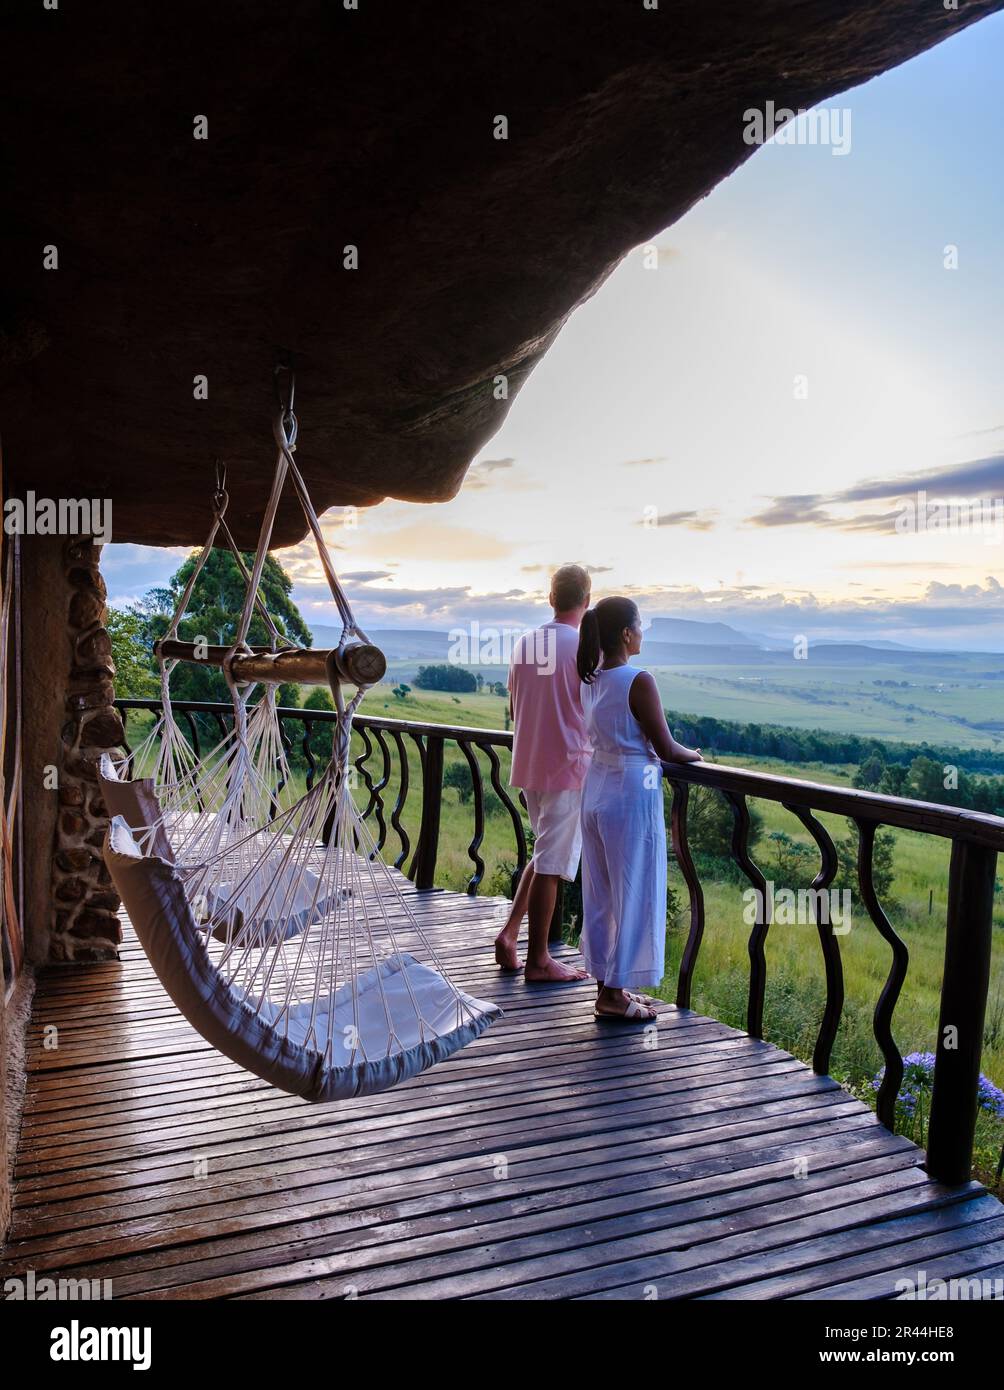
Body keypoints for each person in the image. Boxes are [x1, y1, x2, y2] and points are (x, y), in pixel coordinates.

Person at [577, 597, 702, 1021]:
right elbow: (666, 747)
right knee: (632, 891)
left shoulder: (591, 678)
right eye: (641, 626)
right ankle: (612, 995)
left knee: (601, 893)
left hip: (595, 788)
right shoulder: (638, 680)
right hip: (631, 791)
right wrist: (695, 755)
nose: (643, 632)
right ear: (627, 635)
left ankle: (610, 987)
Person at [494, 564, 593, 983]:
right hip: (569, 766)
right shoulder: (586, 646)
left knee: (544, 851)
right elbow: (599, 709)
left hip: (530, 763)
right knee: (551, 863)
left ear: (551, 599)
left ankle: (510, 933)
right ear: (587, 601)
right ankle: (538, 961)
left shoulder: (524, 644)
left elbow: (515, 705)